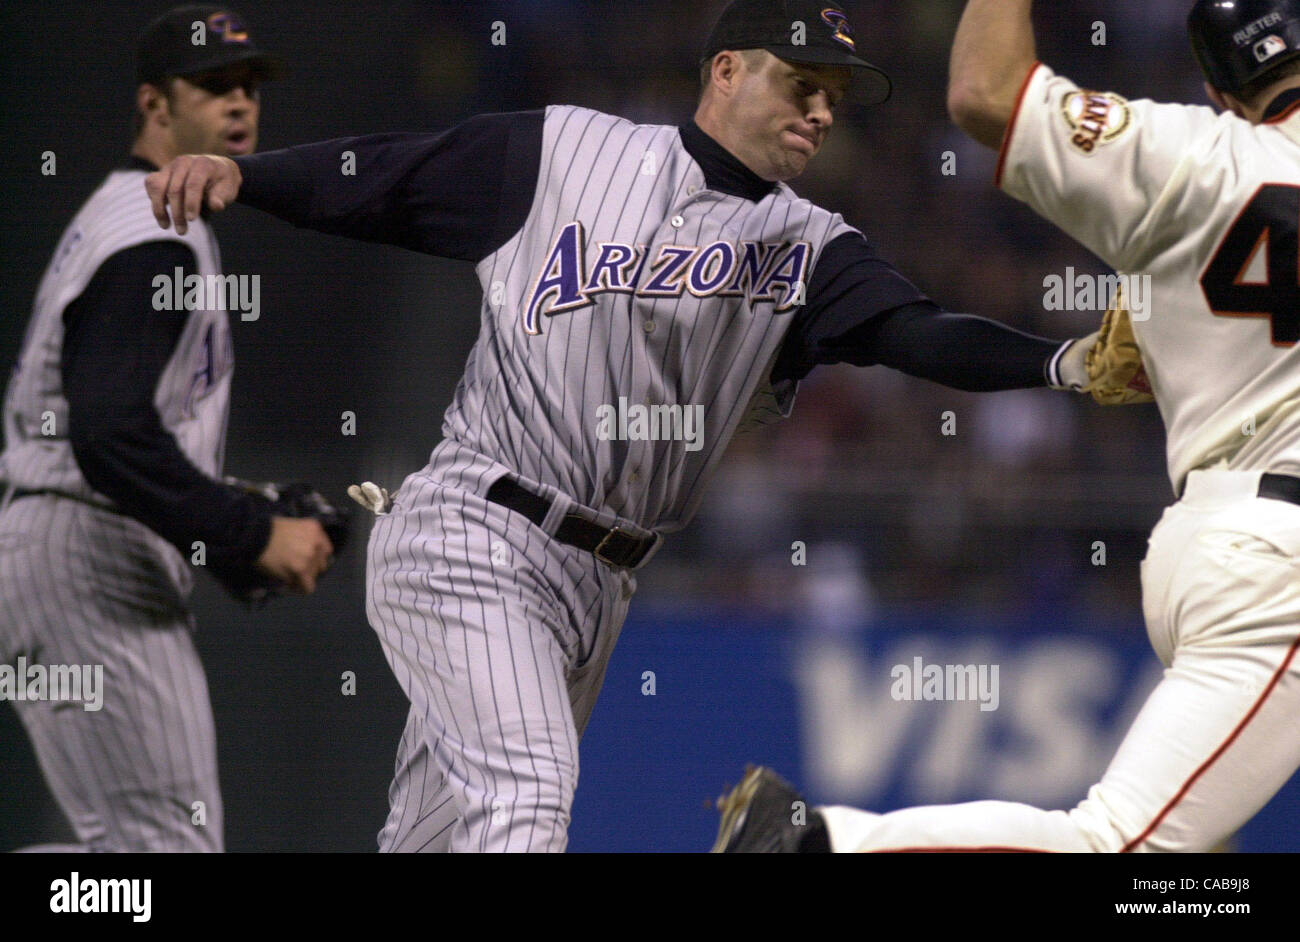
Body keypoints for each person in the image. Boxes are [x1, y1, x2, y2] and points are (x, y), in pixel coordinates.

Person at [145, 0, 1098, 853]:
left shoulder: (811, 246)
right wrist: (247, 176)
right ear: (726, 71)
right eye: (801, 83)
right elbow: (385, 178)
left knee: (435, 838)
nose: (819, 110)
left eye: (834, 97)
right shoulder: (563, 151)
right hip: (473, 531)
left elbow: (919, 334)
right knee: (527, 794)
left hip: (599, 582)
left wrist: (1060, 363)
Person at [713, 0, 1300, 853]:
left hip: (1225, 539)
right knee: (1122, 848)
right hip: (1276, 562)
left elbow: (986, 91)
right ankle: (820, 844)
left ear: (1218, 87)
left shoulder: (1192, 153)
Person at [0, 5, 333, 852]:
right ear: (154, 105)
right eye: (214, 84)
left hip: (62, 548)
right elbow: (108, 434)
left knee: (131, 851)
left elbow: (120, 432)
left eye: (250, 85)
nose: (241, 103)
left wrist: (230, 528)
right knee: (160, 854)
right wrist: (250, 530)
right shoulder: (154, 234)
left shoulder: (139, 219)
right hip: (87, 554)